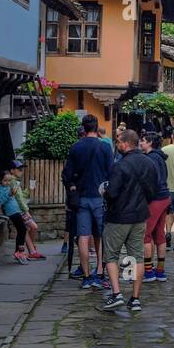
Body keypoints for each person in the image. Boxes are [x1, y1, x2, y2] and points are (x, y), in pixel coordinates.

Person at [100, 128, 159, 313]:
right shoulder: (148, 163)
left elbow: (112, 193)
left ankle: (116, 294)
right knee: (135, 256)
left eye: (118, 142)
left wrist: (104, 192)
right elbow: (152, 190)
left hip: (119, 216)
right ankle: (134, 298)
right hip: (139, 215)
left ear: (125, 143)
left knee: (111, 255)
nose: (117, 145)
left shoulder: (120, 165)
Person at [62, 114, 114, 290]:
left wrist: (72, 186)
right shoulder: (105, 148)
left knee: (83, 237)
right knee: (101, 235)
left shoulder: (76, 147)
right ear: (97, 127)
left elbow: (67, 174)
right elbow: (110, 173)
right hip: (100, 197)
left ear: (83, 128)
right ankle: (99, 272)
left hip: (82, 197)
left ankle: (86, 275)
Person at [139, 131, 172, 282]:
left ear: (150, 143)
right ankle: (160, 271)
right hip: (165, 197)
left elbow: (151, 181)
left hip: (155, 198)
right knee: (159, 234)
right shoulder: (160, 157)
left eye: (143, 141)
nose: (141, 143)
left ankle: (148, 272)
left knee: (145, 235)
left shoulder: (149, 159)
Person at [0, 163, 41, 263]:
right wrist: (9, 194)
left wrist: (28, 190)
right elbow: (0, 201)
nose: (7, 183)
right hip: (12, 212)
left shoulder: (9, 186)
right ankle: (19, 251)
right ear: (0, 180)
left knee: (23, 229)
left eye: (8, 181)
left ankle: (20, 251)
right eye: (5, 181)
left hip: (16, 211)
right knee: (23, 229)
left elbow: (18, 197)